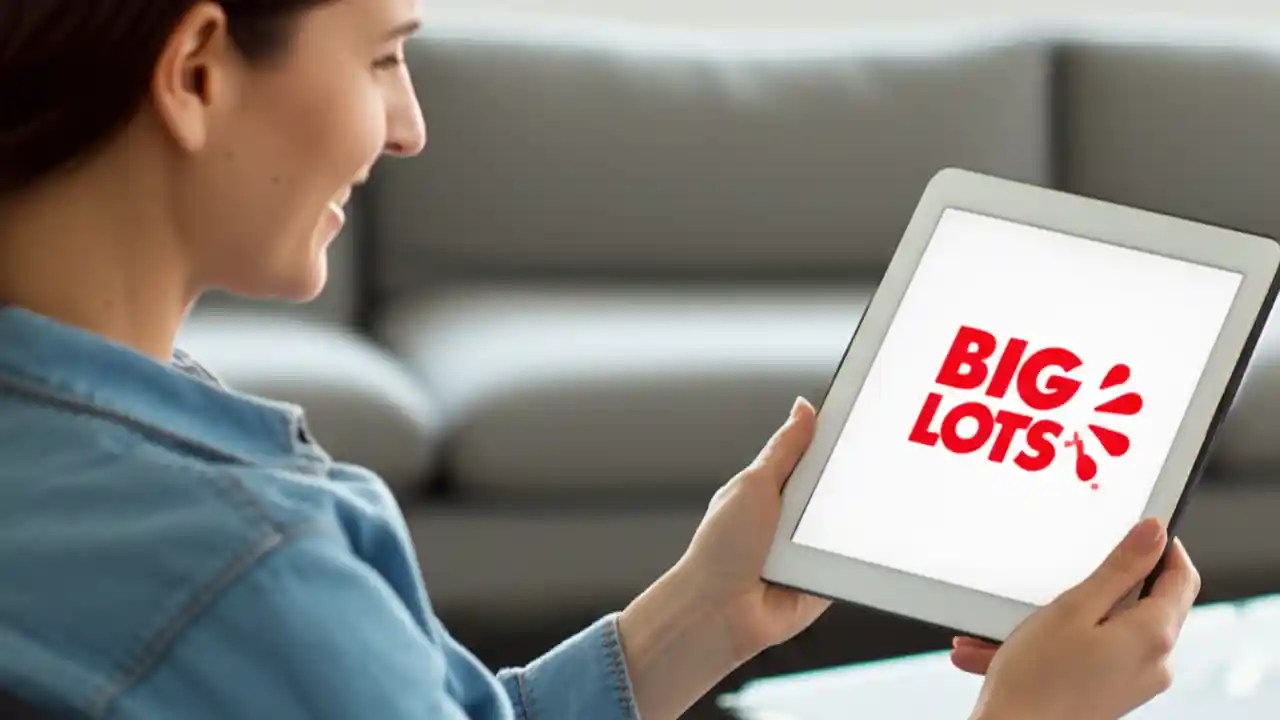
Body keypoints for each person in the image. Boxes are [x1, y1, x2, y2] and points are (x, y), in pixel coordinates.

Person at [0, 1, 1202, 718]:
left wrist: (695, 619)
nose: (410, 124)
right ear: (199, 69)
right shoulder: (238, 570)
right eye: (379, 56)